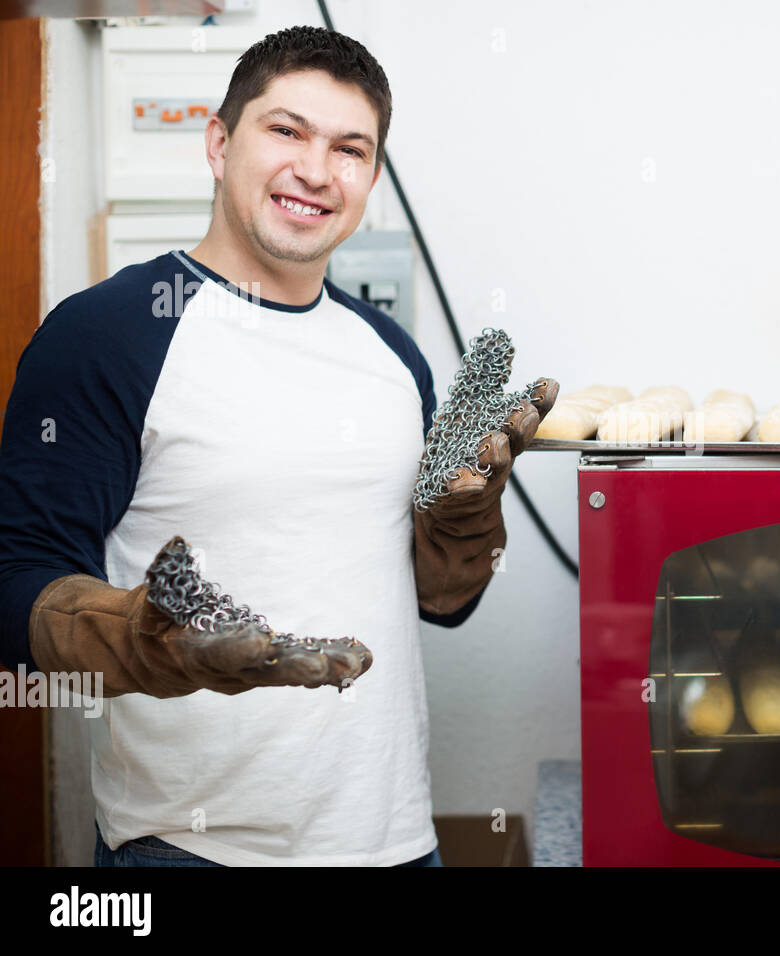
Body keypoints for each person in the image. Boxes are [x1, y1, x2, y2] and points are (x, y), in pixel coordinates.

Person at [0, 25, 557, 866]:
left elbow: (439, 605)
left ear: (371, 177)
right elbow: (17, 584)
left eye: (350, 148)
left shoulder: (394, 356)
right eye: (286, 130)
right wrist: (142, 637)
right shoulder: (106, 336)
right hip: (191, 851)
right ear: (220, 143)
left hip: (396, 841)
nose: (315, 169)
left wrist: (465, 529)